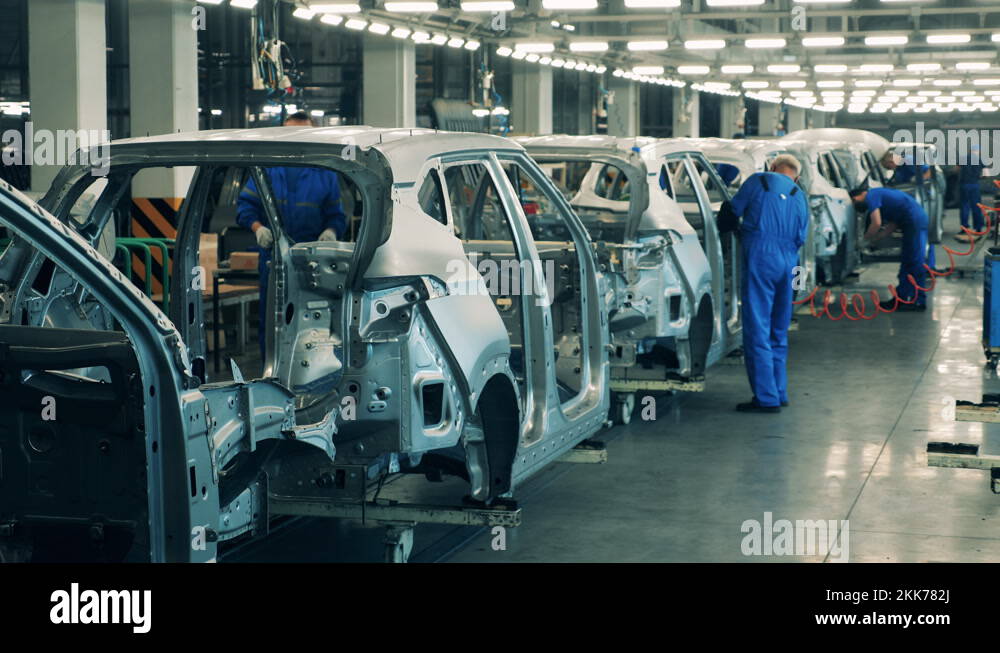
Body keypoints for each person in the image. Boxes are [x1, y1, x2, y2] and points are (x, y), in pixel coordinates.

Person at [237, 111, 347, 358]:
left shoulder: (324, 173)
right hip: (274, 258)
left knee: (314, 319)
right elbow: (245, 207)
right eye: (289, 133)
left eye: (303, 133)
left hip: (313, 260)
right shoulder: (268, 171)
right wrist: (258, 229)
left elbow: (337, 215)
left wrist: (330, 232)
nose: (296, 138)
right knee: (274, 318)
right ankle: (272, 370)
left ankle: (312, 371)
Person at [717, 154, 810, 414]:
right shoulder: (800, 195)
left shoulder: (758, 181)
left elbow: (730, 214)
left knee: (758, 326)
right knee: (779, 329)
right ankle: (779, 392)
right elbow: (802, 237)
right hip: (790, 261)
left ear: (771, 167)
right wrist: (797, 284)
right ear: (797, 176)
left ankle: (766, 398)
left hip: (762, 257)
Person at [850, 185, 929, 313]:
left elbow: (876, 223)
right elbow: (891, 226)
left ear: (860, 194)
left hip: (914, 222)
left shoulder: (872, 195)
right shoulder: (883, 197)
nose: (855, 204)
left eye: (854, 201)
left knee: (914, 263)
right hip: (911, 222)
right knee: (906, 263)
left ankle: (918, 301)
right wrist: (875, 240)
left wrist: (863, 240)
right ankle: (901, 299)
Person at [955, 154, 985, 240]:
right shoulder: (980, 159)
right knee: (977, 207)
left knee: (964, 206)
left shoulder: (963, 158)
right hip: (974, 185)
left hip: (964, 185)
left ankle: (964, 228)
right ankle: (978, 229)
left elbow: (957, 169)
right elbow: (985, 174)